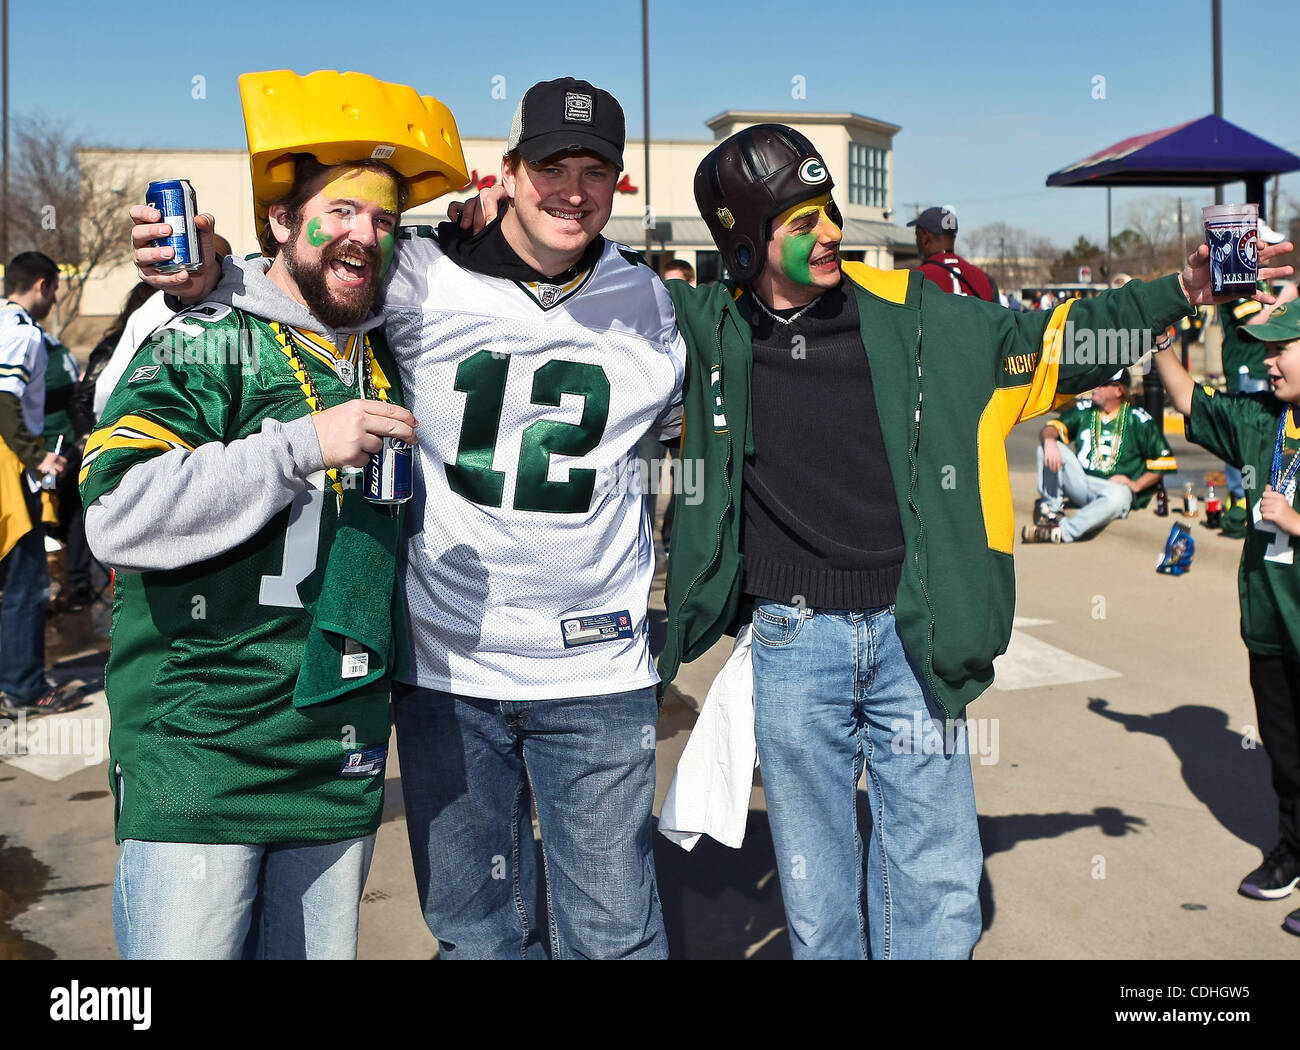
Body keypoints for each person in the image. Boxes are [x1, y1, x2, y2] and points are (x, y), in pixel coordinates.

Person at [655, 122, 1292, 959]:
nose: (832, 233)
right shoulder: (703, 330)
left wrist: (1183, 286)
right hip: (790, 640)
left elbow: (1065, 339)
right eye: (801, 220)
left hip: (914, 635)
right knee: (815, 889)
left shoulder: (922, 321)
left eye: (830, 210)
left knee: (939, 879)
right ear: (740, 241)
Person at [134, 76, 683, 960]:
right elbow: (307, 291)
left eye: (594, 169)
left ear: (618, 181)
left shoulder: (653, 303)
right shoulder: (417, 271)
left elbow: (702, 425)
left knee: (616, 936)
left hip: (597, 672)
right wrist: (209, 269)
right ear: (506, 173)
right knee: (476, 936)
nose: (571, 189)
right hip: (446, 669)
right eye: (551, 165)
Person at [82, 69, 451, 959]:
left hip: (335, 751)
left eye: (384, 219)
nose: (366, 235)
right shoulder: (206, 334)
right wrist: (295, 446)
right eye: (341, 212)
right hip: (203, 752)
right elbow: (117, 514)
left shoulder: (381, 347)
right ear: (280, 223)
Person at [1151, 300, 1300, 938]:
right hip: (1271, 620)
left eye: (1280, 349)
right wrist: (1159, 339)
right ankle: (1293, 852)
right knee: (1287, 755)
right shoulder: (1263, 420)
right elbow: (1192, 399)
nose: (1266, 361)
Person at [0, 251, 76, 714]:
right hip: (10, 472)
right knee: (27, 583)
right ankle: (24, 688)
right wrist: (38, 456)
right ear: (44, 285)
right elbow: (4, 399)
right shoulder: (24, 334)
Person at [1024, 369, 1176, 543]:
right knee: (1047, 446)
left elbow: (1163, 462)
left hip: (1112, 489)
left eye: (1102, 383)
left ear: (1119, 390)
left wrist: (1136, 484)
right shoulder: (1084, 409)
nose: (1095, 387)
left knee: (1119, 497)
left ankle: (1061, 532)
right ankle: (1052, 512)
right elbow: (1051, 428)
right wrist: (1050, 441)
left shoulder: (1138, 419)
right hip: (1081, 482)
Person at [908, 205, 997, 302]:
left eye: (917, 235)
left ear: (925, 237)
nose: (916, 240)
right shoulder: (985, 279)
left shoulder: (915, 279)